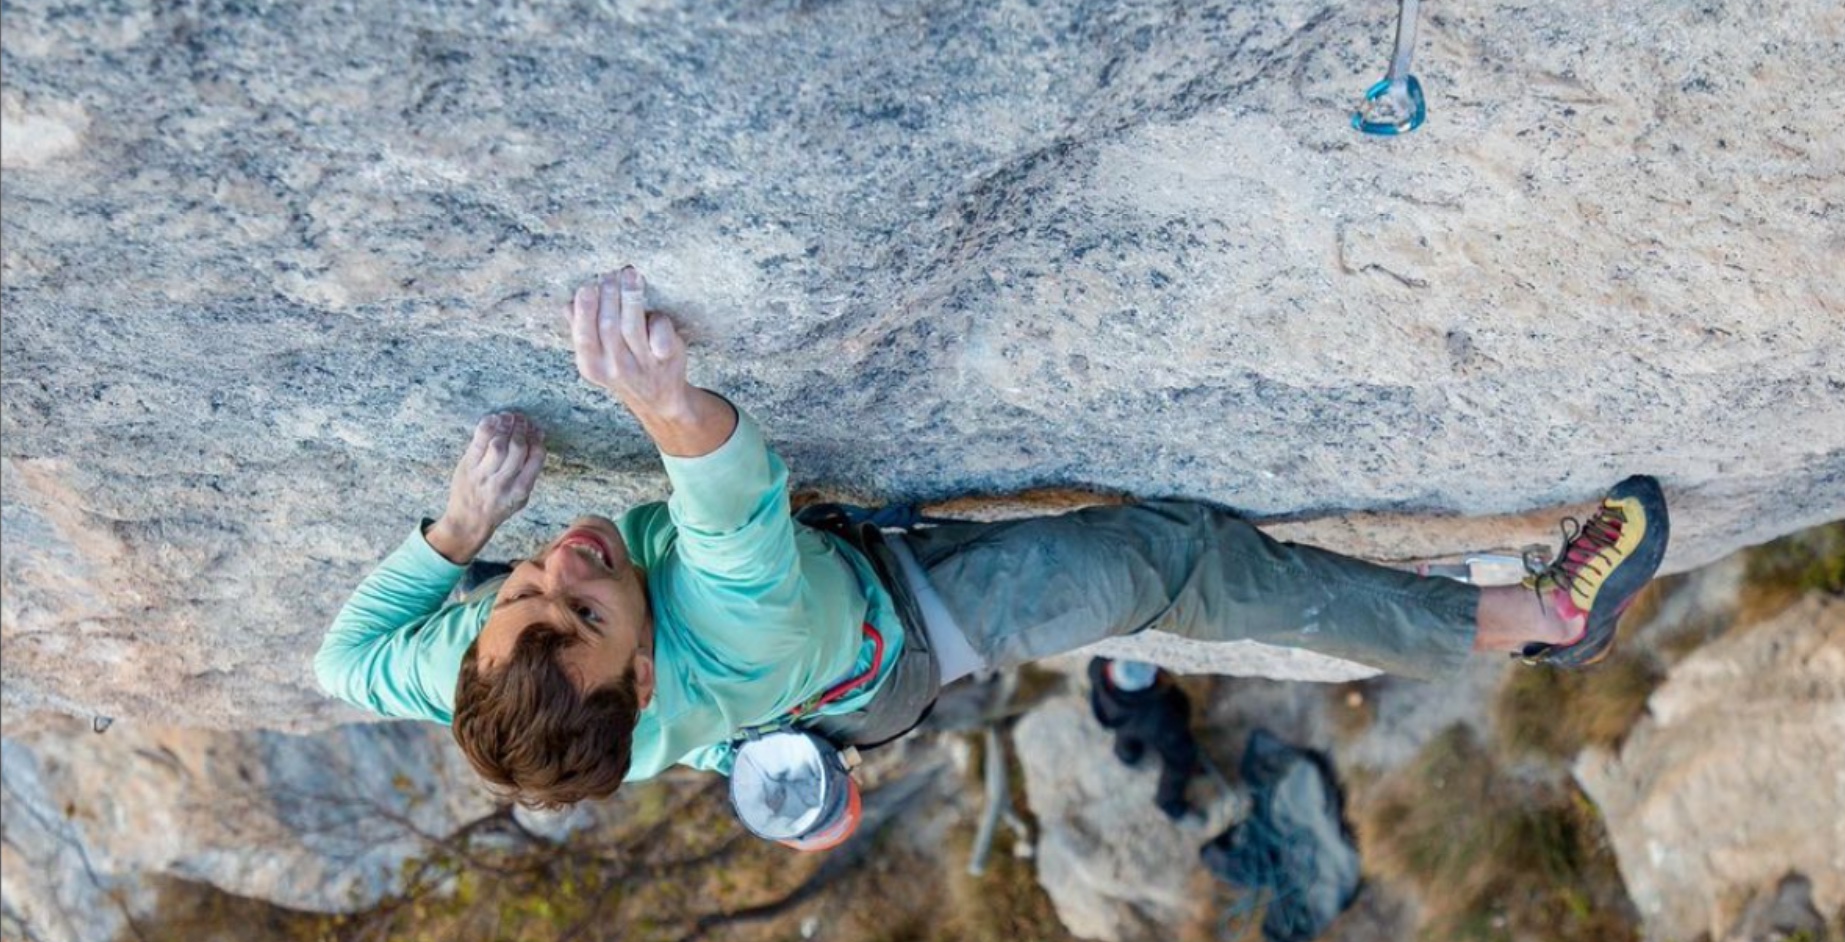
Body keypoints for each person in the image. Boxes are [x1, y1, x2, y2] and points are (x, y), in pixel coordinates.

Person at [314, 267, 1671, 810]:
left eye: (526, 585)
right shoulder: (731, 636)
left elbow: (344, 662)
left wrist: (455, 534)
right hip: (892, 632)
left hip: (823, 605)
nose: (562, 561)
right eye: (589, 607)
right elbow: (726, 507)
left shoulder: (475, 670)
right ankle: (1537, 622)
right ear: (647, 679)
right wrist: (663, 402)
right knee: (1171, 559)